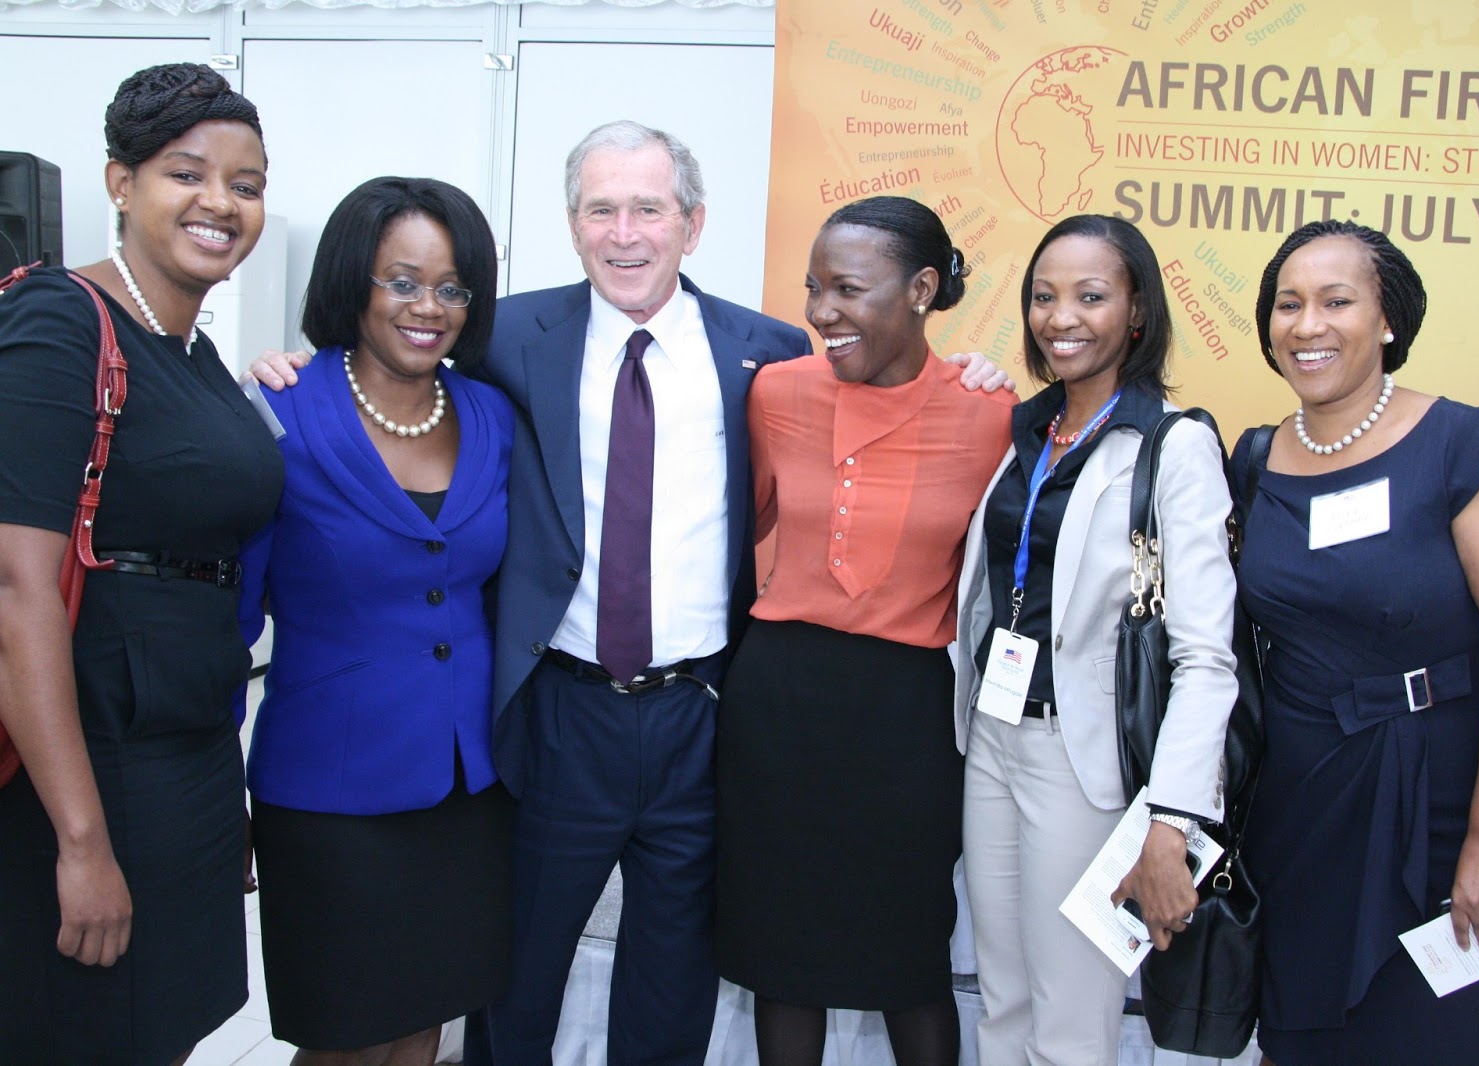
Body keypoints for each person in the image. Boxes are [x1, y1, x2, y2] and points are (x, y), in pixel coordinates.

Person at [250, 120, 1007, 1064]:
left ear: (693, 223)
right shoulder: (505, 337)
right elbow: (388, 370)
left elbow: (892, 398)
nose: (624, 234)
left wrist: (977, 373)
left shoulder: (767, 353)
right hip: (559, 710)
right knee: (516, 971)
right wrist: (292, 367)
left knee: (672, 976)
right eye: (600, 209)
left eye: (648, 208)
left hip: (704, 714)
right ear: (572, 224)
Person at [0, 63, 283, 1063]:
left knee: (159, 1028)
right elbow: (17, 588)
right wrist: (81, 842)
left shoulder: (193, 353)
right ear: (121, 183)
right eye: (186, 174)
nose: (222, 203)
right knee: (85, 1031)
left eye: (246, 185)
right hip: (92, 765)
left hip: (190, 752)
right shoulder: (59, 320)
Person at [1234, 219, 1479, 1066]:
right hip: (1302, 806)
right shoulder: (1256, 461)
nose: (1307, 325)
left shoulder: (1461, 443)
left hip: (1444, 804)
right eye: (1288, 305)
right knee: (1300, 1037)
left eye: (1336, 301)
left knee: (1427, 1039)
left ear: (1388, 320)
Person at [713, 196, 1015, 1065]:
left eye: (847, 289)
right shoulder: (775, 393)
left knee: (908, 956)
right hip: (779, 700)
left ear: (921, 290)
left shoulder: (993, 413)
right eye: (814, 288)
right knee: (781, 952)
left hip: (909, 716)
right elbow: (739, 526)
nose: (820, 312)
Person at [237, 177, 514, 1066]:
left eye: (452, 287)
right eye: (402, 281)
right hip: (329, 786)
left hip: (467, 784)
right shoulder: (277, 410)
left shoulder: (491, 414)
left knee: (426, 1024)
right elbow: (227, 625)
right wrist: (215, 792)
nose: (428, 307)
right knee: (344, 1038)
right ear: (352, 280)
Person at [951, 214, 1239, 1064]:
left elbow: (1205, 656)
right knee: (1000, 1001)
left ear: (1137, 311)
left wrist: (1172, 819)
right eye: (1044, 297)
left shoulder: (1174, 445)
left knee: (1071, 1020)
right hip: (992, 736)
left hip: (1083, 762)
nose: (1061, 317)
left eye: (1090, 296)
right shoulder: (1030, 430)